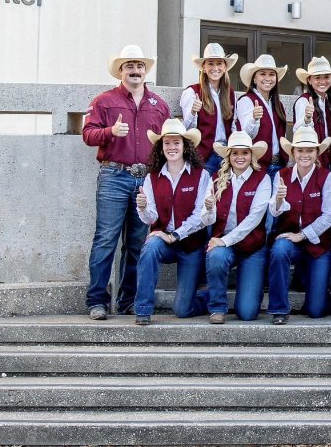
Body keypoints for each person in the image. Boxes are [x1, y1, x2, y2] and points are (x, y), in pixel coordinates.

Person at [82, 44, 171, 320]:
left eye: (139, 66)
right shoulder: (104, 101)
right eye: (129, 66)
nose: (135, 70)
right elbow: (87, 134)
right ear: (121, 71)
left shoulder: (159, 105)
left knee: (136, 243)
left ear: (145, 71)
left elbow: (167, 143)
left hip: (145, 178)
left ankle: (128, 300)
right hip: (114, 175)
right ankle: (97, 300)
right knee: (105, 240)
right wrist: (110, 132)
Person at [132, 120, 210, 325]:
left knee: (182, 310)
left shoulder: (201, 175)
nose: (172, 147)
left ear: (185, 146)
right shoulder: (152, 177)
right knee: (150, 246)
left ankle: (207, 297)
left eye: (177, 142)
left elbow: (201, 216)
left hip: (191, 245)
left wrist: (175, 234)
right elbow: (151, 217)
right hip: (164, 241)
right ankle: (142, 310)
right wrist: (142, 207)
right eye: (167, 143)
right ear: (161, 147)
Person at [267, 127, 331, 324]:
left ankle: (321, 293)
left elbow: (329, 215)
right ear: (293, 152)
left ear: (317, 153)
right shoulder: (282, 175)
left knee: (316, 311)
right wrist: (279, 200)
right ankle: (279, 309)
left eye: (310, 150)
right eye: (300, 150)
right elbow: (274, 211)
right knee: (279, 249)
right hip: (290, 240)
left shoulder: (326, 177)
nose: (305, 154)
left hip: (318, 244)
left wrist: (302, 235)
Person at [204, 131, 272, 324]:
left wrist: (224, 240)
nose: (240, 157)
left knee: (247, 313)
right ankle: (216, 307)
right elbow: (208, 220)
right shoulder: (217, 178)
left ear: (252, 155)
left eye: (244, 153)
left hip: (252, 246)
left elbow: (254, 219)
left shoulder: (263, 178)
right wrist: (208, 210)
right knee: (215, 255)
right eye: (235, 153)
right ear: (228, 156)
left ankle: (247, 295)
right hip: (225, 243)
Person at [180, 43, 237, 174]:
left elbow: (233, 126)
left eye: (219, 63)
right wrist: (193, 112)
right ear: (204, 68)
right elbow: (186, 131)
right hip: (204, 156)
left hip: (226, 155)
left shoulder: (230, 93)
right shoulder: (192, 92)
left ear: (225, 67)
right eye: (210, 63)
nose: (215, 68)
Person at [235, 54, 290, 178]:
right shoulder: (246, 100)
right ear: (254, 79)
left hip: (279, 166)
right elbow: (244, 136)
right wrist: (254, 119)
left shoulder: (278, 104)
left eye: (271, 74)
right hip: (257, 166)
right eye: (262, 74)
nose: (267, 78)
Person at [293, 57, 331, 173]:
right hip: (312, 161)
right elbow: (299, 132)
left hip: (330, 160)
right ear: (309, 80)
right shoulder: (304, 101)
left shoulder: (330, 101)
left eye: (326, 77)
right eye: (317, 77)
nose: (323, 81)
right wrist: (307, 119)